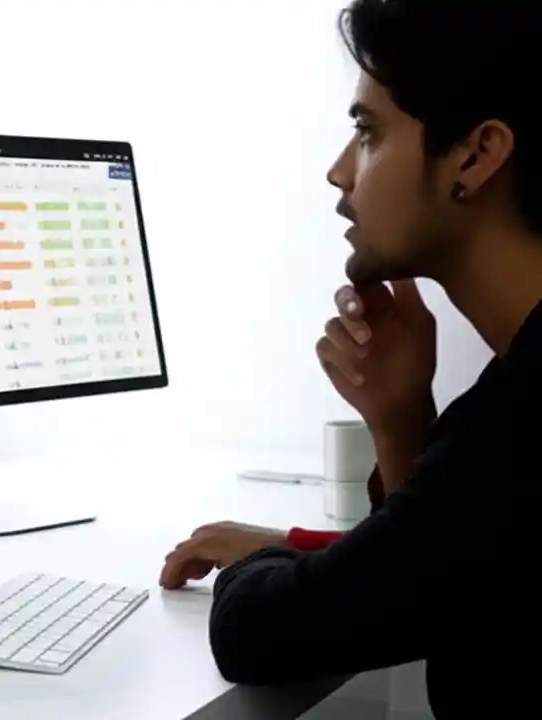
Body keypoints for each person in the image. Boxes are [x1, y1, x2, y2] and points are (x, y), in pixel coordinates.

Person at [158, 1, 542, 716]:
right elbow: (441, 569)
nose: (338, 173)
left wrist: (258, 564)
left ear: (477, 154)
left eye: (367, 132)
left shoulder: (522, 426)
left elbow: (261, 635)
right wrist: (400, 426)